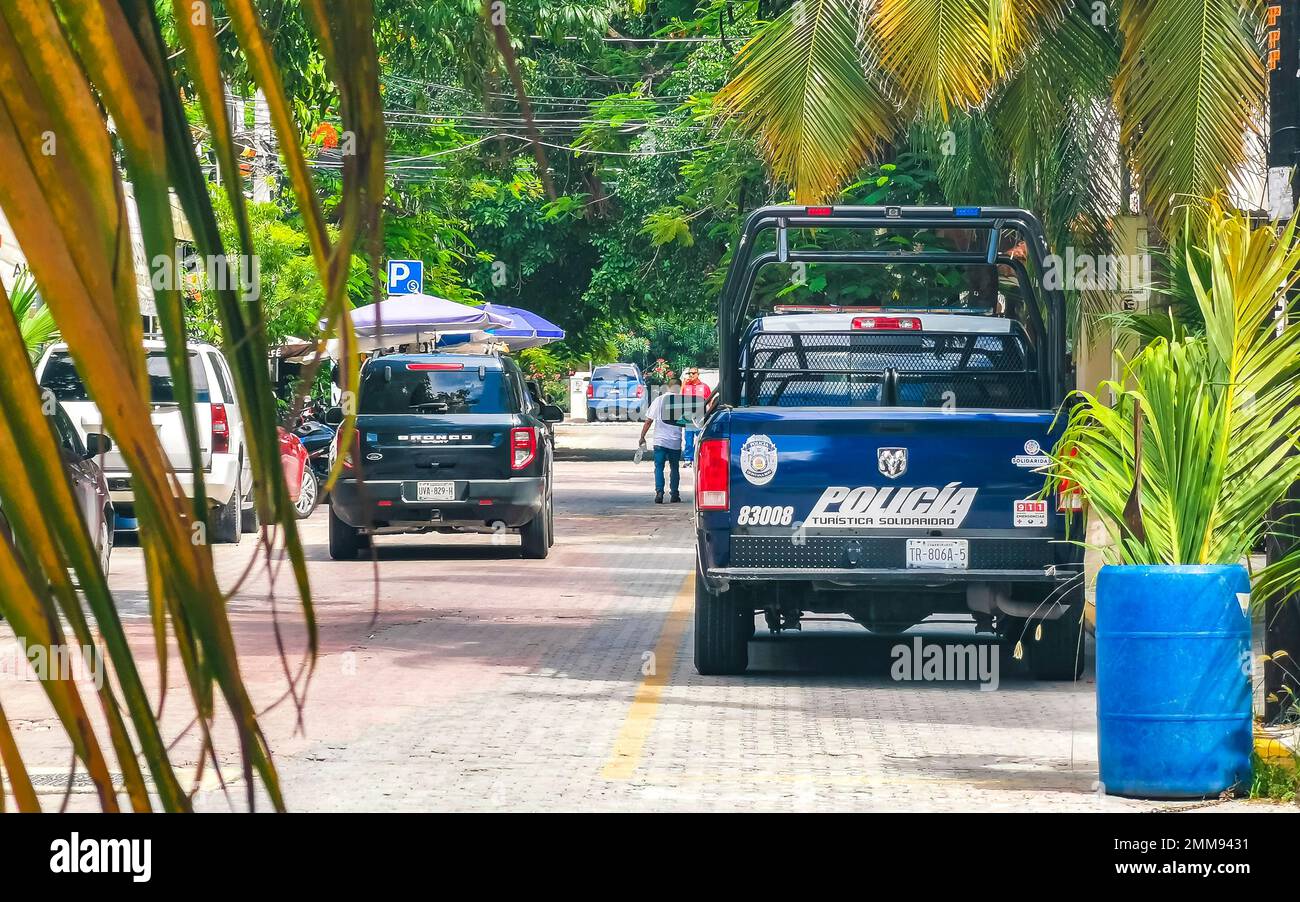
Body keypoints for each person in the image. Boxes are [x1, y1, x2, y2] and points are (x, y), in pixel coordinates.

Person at [639, 378, 683, 504]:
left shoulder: (658, 400)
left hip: (660, 441)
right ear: (679, 387)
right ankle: (674, 494)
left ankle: (659, 492)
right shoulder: (682, 402)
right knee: (674, 467)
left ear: (668, 387)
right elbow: (689, 421)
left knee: (659, 467)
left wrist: (642, 436)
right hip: (675, 441)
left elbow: (648, 421)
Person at [680, 366, 711, 466]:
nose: (691, 375)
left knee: (700, 438)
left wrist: (710, 414)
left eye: (693, 373)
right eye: (690, 373)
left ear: (698, 374)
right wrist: (684, 383)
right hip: (688, 416)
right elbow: (680, 398)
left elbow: (710, 402)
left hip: (700, 417)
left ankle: (699, 457)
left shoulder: (704, 387)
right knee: (688, 439)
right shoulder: (686, 386)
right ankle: (688, 458)